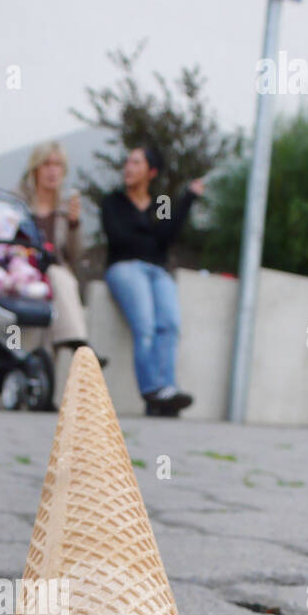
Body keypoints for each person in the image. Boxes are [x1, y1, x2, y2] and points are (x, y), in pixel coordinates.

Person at [101, 145, 204, 416]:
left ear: (151, 171)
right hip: (124, 268)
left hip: (157, 270)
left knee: (169, 325)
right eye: (128, 162)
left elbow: (166, 238)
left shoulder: (161, 203)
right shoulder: (113, 202)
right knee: (145, 325)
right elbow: (118, 237)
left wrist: (188, 200)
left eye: (136, 162)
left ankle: (166, 390)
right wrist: (149, 236)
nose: (128, 167)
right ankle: (153, 391)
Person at [18, 142, 90, 351]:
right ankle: (79, 344)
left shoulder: (65, 209)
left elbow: (75, 255)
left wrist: (74, 224)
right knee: (57, 276)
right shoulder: (18, 202)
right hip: (24, 272)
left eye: (58, 165)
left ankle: (74, 342)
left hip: (56, 282)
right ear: (35, 169)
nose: (52, 170)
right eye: (46, 164)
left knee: (58, 275)